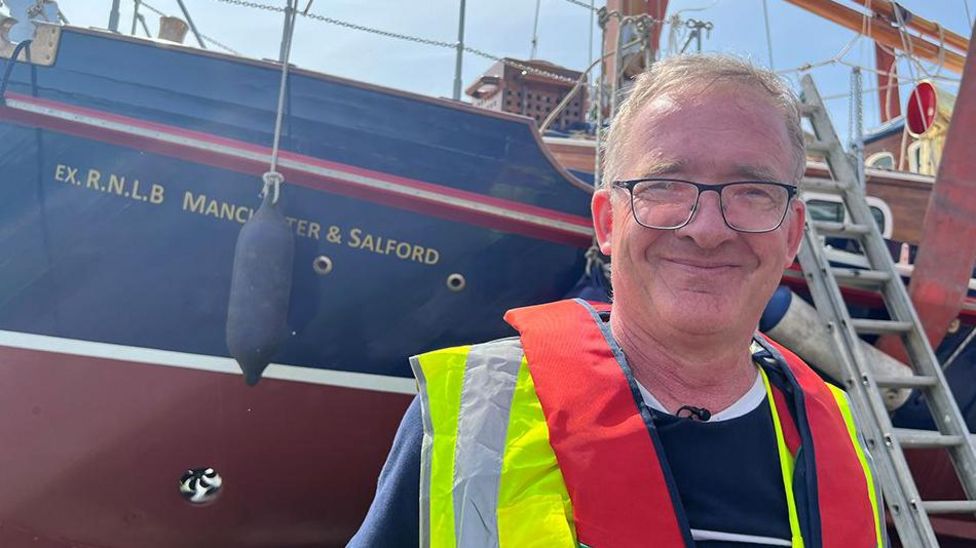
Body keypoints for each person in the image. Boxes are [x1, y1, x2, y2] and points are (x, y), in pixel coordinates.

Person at [349, 54, 885, 548]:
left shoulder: (845, 442)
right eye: (664, 185)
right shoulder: (471, 418)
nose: (705, 228)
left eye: (752, 192)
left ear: (792, 236)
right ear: (607, 222)